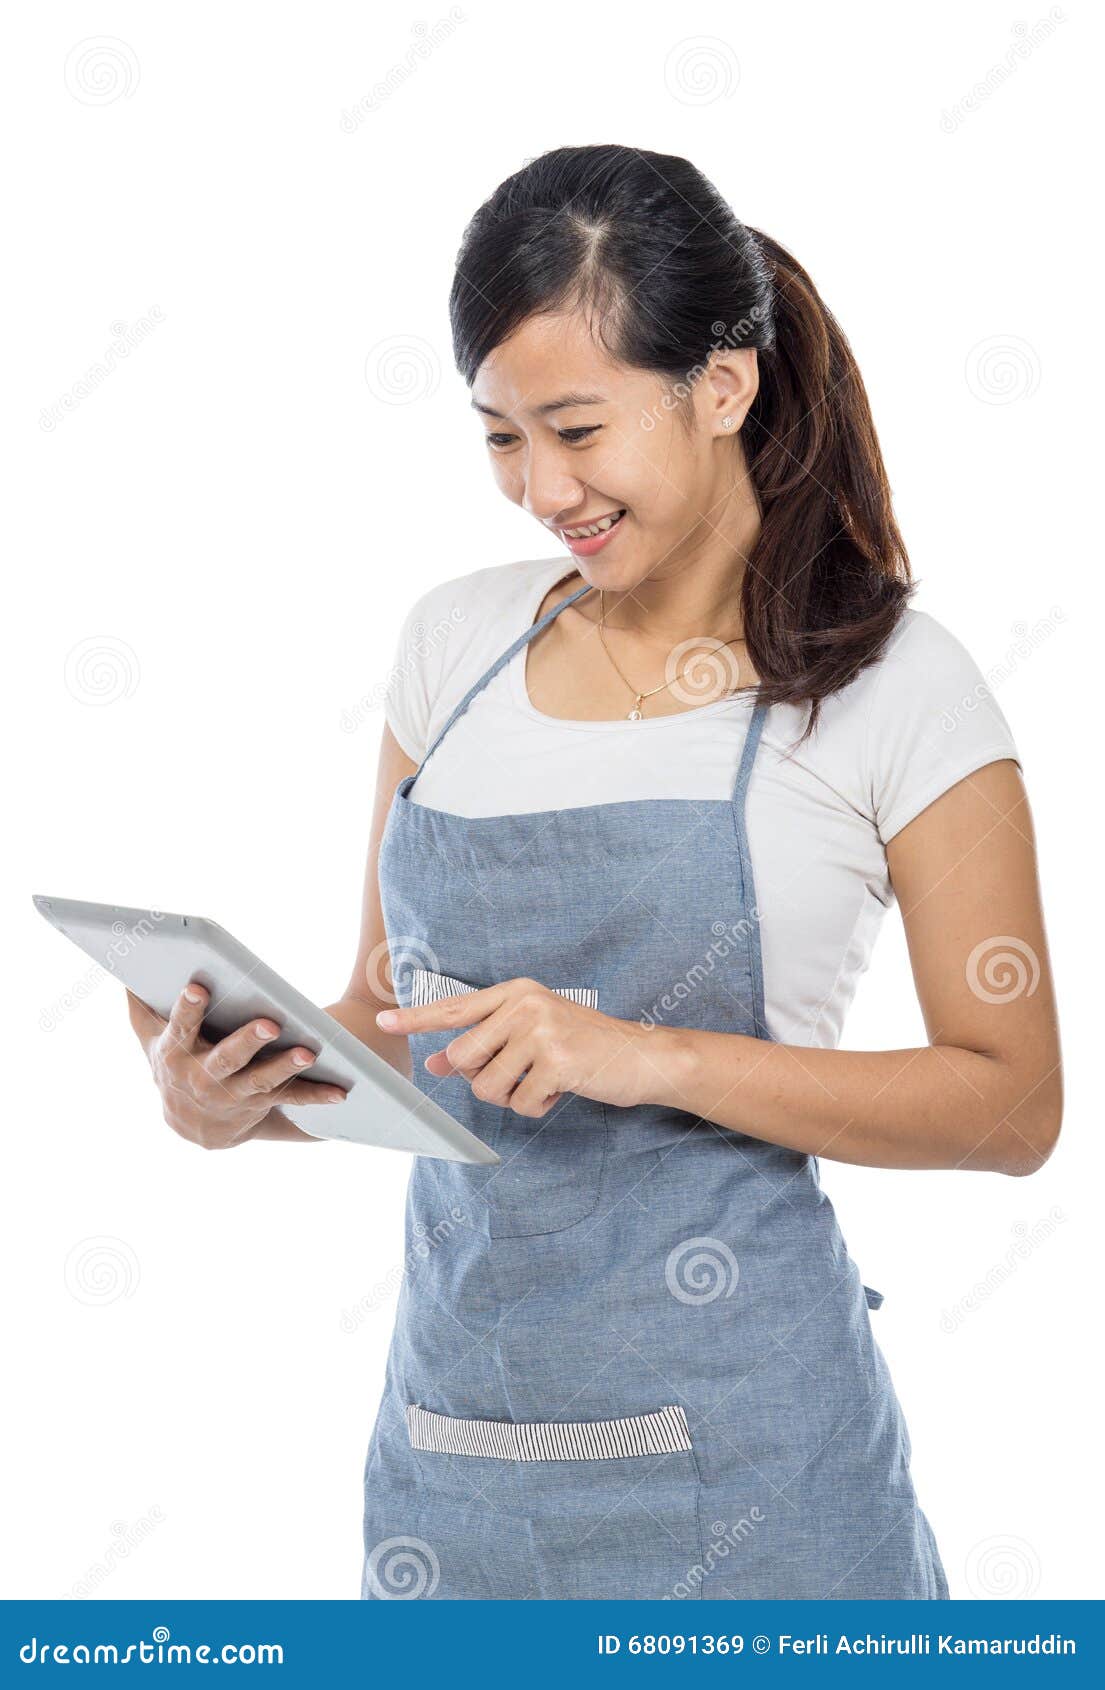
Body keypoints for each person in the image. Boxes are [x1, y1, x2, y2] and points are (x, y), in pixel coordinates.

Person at [128, 145, 1061, 1601]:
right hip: (457, 1463)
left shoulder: (891, 685)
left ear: (723, 387)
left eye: (575, 426)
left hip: (762, 1477)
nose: (538, 487)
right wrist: (239, 1098)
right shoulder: (453, 649)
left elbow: (1011, 1102)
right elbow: (392, 1027)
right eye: (499, 436)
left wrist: (641, 1051)